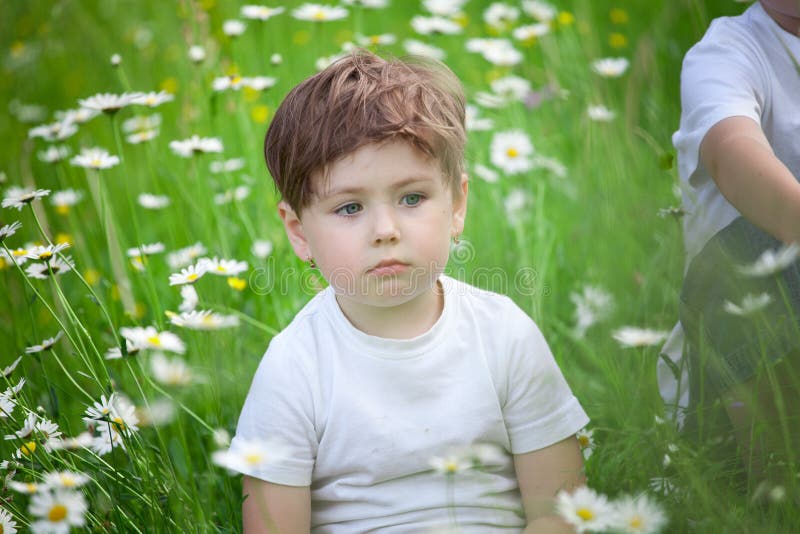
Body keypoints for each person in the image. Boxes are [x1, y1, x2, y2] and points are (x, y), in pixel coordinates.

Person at [228, 51, 589, 532]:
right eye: (350, 207)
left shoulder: (504, 336)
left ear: (457, 205)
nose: (385, 229)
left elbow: (560, 513)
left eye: (412, 198)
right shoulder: (295, 367)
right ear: (298, 231)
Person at [659, 0, 800, 484]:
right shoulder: (728, 52)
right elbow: (733, 154)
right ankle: (775, 493)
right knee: (752, 251)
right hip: (734, 379)